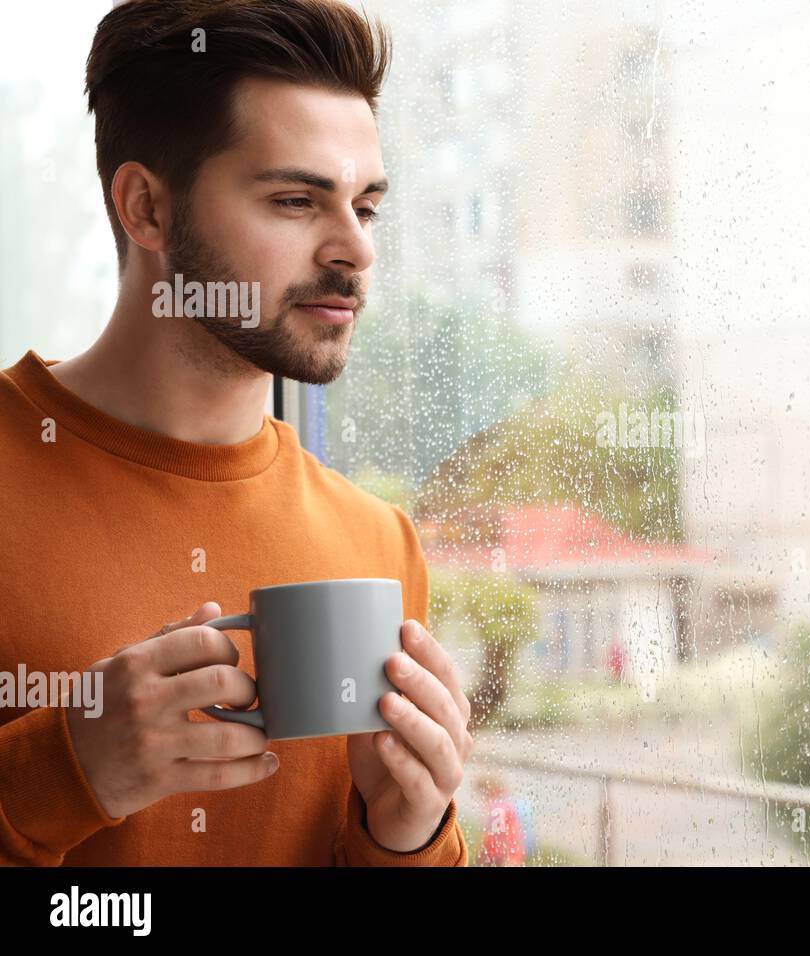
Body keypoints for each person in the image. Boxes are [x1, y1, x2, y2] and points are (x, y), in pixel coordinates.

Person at [0, 0, 472, 866]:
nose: (355, 250)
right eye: (296, 200)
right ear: (145, 208)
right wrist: (63, 775)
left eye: (365, 207)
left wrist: (406, 839)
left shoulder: (378, 544)